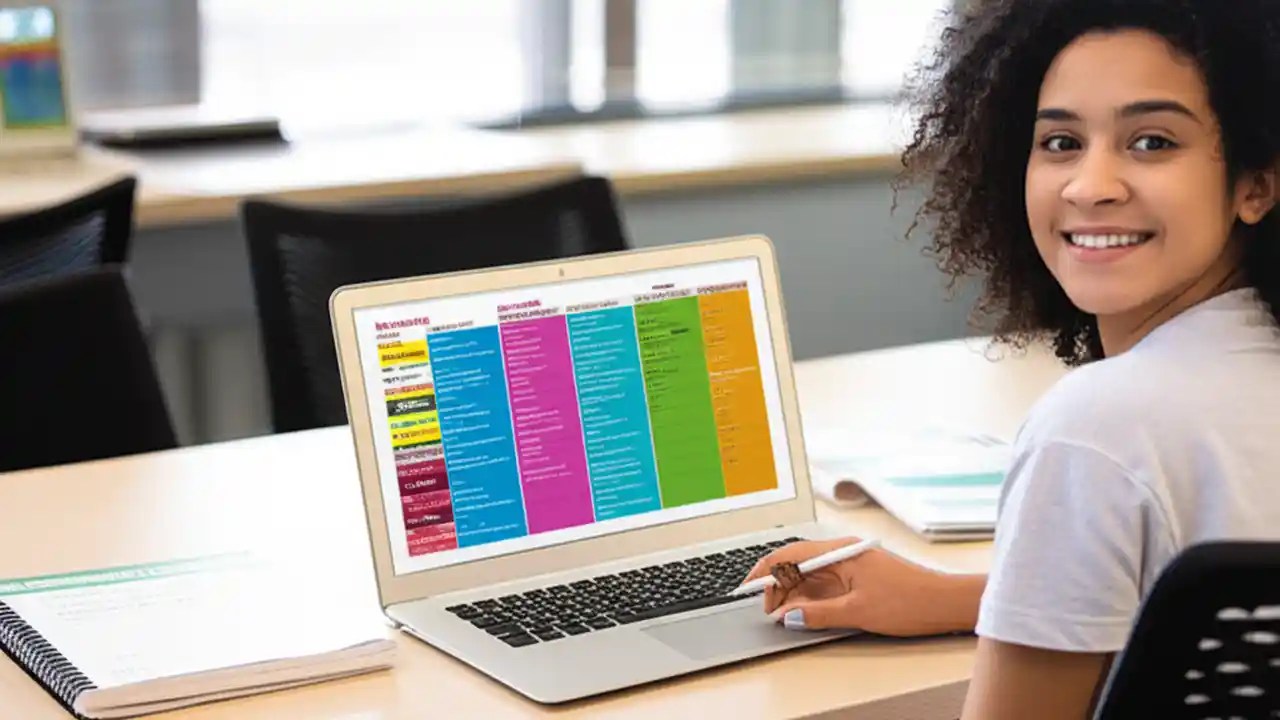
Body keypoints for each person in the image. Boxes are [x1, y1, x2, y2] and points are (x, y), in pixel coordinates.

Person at [743, 0, 1280, 717]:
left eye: (1151, 142)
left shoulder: (1097, 430)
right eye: (1061, 142)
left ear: (1255, 182)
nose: (1090, 185)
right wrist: (962, 597)